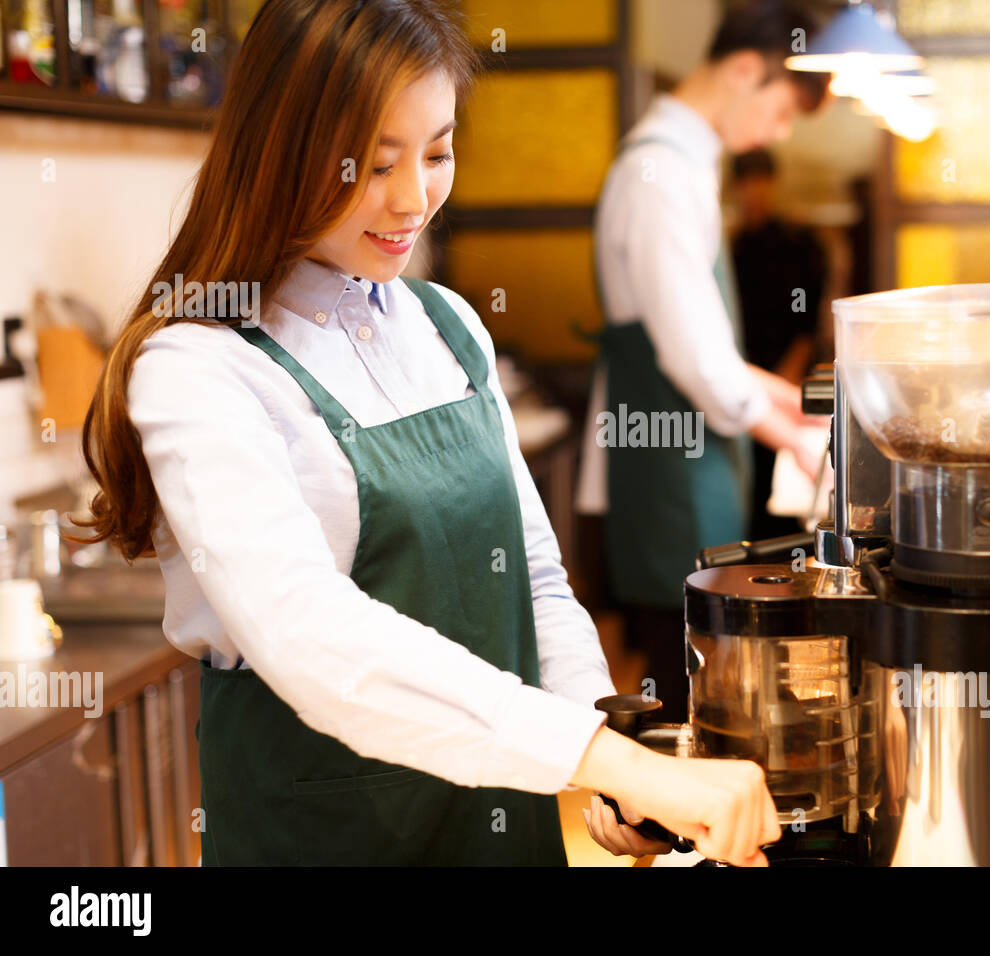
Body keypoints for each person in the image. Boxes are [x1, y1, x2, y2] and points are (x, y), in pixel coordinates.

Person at [75, 0, 778, 867]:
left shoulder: (446, 325)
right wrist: (602, 760)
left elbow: (536, 581)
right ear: (283, 155)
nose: (414, 199)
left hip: (500, 834)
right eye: (374, 166)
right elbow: (313, 638)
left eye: (437, 152)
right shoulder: (200, 367)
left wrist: (607, 756)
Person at [577, 0, 830, 724]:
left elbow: (707, 351)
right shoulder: (658, 173)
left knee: (700, 678)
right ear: (746, 70)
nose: (777, 133)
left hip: (689, 468)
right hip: (665, 476)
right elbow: (695, 361)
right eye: (782, 111)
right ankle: (668, 830)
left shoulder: (684, 164)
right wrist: (794, 434)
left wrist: (787, 402)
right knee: (680, 692)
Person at [729, 148, 827, 540]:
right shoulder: (732, 247)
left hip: (786, 375)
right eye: (745, 183)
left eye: (760, 182)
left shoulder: (798, 244)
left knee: (787, 480)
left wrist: (787, 377)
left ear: (772, 183)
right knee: (750, 482)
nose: (753, 192)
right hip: (740, 374)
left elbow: (806, 322)